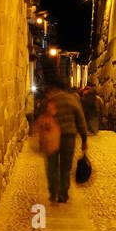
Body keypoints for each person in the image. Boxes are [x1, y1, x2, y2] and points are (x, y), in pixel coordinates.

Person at [42, 75, 88, 203]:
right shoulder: (72, 100)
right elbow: (80, 119)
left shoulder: (50, 100)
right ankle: (63, 193)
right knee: (65, 166)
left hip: (52, 137)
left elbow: (42, 118)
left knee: (52, 165)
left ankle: (53, 192)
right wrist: (84, 139)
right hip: (69, 137)